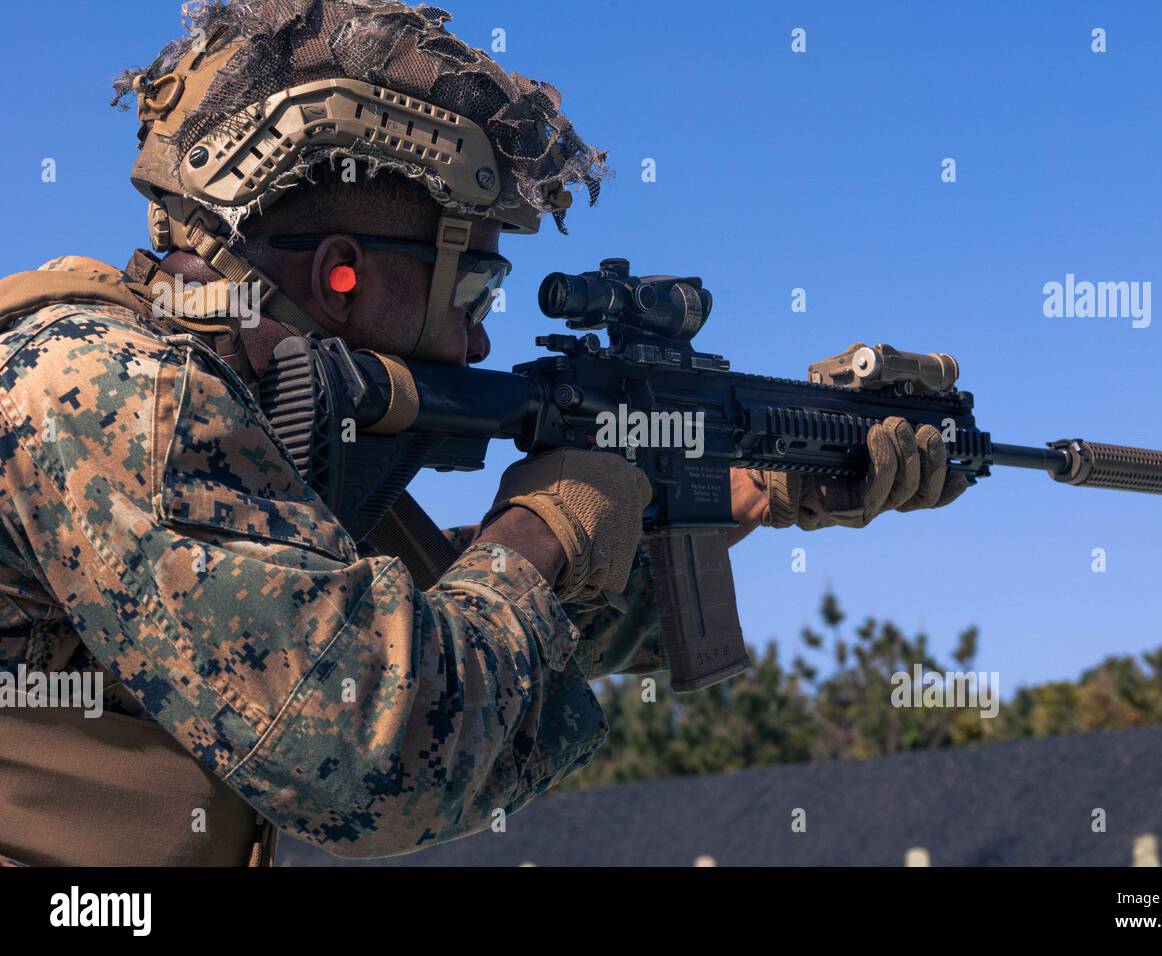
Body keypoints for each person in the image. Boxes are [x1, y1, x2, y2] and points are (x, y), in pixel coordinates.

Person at [0, 0, 964, 866]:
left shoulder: (237, 408)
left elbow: (442, 632)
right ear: (343, 271)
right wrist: (545, 526)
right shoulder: (108, 386)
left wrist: (754, 489)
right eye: (476, 286)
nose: (483, 334)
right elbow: (372, 748)